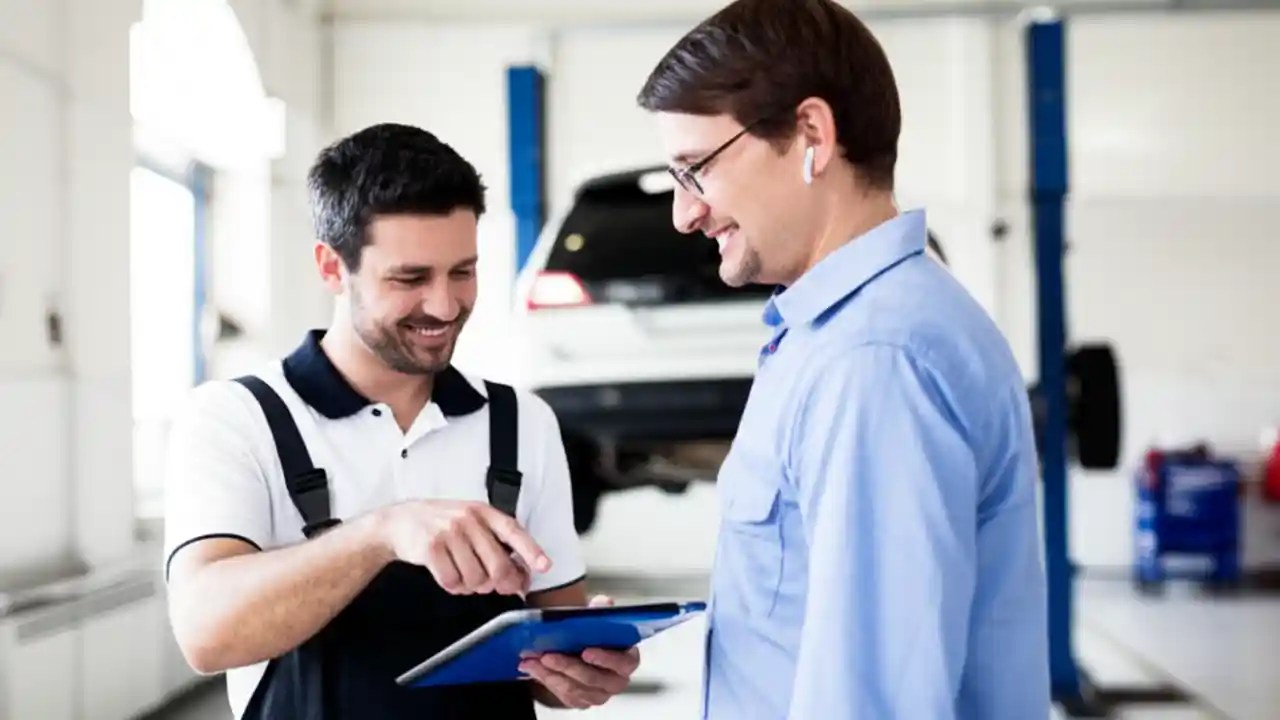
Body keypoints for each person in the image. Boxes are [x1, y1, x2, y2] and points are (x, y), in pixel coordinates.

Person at [636, 1, 1049, 718]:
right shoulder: (842, 334)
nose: (683, 213)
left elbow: (874, 697)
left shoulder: (873, 361)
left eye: (695, 171)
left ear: (812, 135)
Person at [162, 123, 638, 718]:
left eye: (462, 271)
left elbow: (550, 654)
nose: (444, 305)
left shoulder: (523, 424)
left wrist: (582, 670)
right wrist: (381, 535)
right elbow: (206, 634)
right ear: (332, 268)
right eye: (410, 278)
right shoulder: (236, 419)